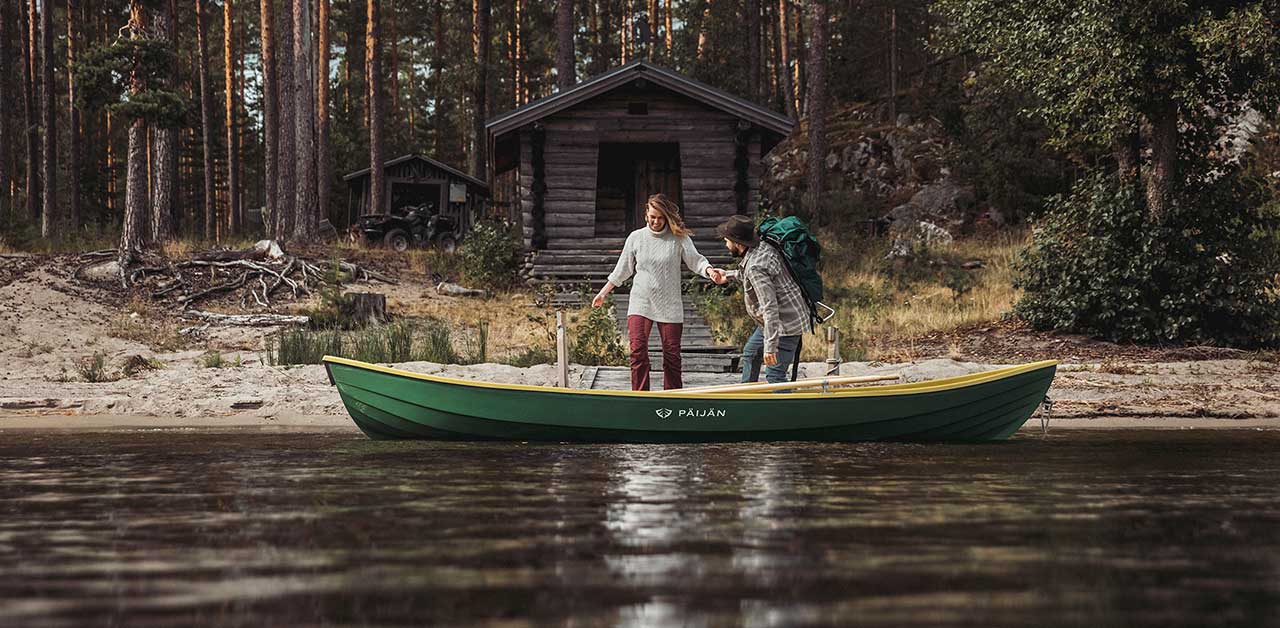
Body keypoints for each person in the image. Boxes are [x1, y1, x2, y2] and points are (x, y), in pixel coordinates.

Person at [593, 194, 725, 391]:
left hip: (669, 302)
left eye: (660, 217)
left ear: (667, 217)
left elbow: (695, 260)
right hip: (641, 300)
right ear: (646, 215)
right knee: (637, 351)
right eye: (652, 216)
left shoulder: (679, 238)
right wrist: (603, 293)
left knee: (672, 355)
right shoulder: (636, 238)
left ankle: (672, 397)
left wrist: (709, 271)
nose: (656, 221)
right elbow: (622, 270)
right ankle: (640, 396)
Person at [712, 215, 811, 385]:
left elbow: (770, 308)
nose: (725, 244)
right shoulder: (760, 248)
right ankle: (748, 398)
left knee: (774, 375)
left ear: (737, 243)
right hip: (773, 323)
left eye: (727, 240)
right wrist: (727, 276)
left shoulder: (755, 267)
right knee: (751, 352)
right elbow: (751, 275)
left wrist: (770, 346)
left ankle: (789, 410)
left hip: (784, 326)